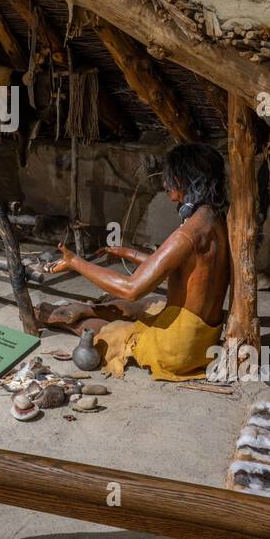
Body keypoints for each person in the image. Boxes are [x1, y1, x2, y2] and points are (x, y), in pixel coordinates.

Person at [38, 143, 231, 381]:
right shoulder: (214, 220)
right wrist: (127, 253)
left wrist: (74, 262)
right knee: (152, 302)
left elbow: (131, 289)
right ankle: (88, 309)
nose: (164, 184)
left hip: (177, 350)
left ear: (185, 180)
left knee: (114, 331)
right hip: (204, 342)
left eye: (170, 178)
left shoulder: (189, 233)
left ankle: (69, 319)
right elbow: (176, 266)